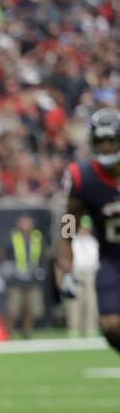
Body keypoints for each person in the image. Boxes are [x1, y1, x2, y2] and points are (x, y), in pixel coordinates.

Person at [59, 108, 120, 357]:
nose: (106, 147)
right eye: (100, 141)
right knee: (110, 326)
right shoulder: (83, 178)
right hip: (110, 257)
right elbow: (68, 226)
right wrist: (66, 271)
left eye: (111, 140)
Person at [5, 214, 46, 338]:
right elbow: (4, 255)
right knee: (13, 308)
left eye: (28, 223)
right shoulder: (12, 237)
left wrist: (39, 271)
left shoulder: (37, 237)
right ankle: (8, 332)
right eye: (24, 223)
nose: (26, 226)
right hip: (16, 279)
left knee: (31, 308)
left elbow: (43, 255)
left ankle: (27, 332)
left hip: (33, 278)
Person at [65, 218, 100, 336]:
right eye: (82, 227)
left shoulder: (93, 241)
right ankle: (74, 328)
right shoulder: (73, 241)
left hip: (91, 273)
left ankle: (91, 328)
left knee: (91, 302)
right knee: (75, 302)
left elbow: (96, 258)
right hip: (77, 273)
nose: (84, 230)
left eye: (87, 228)